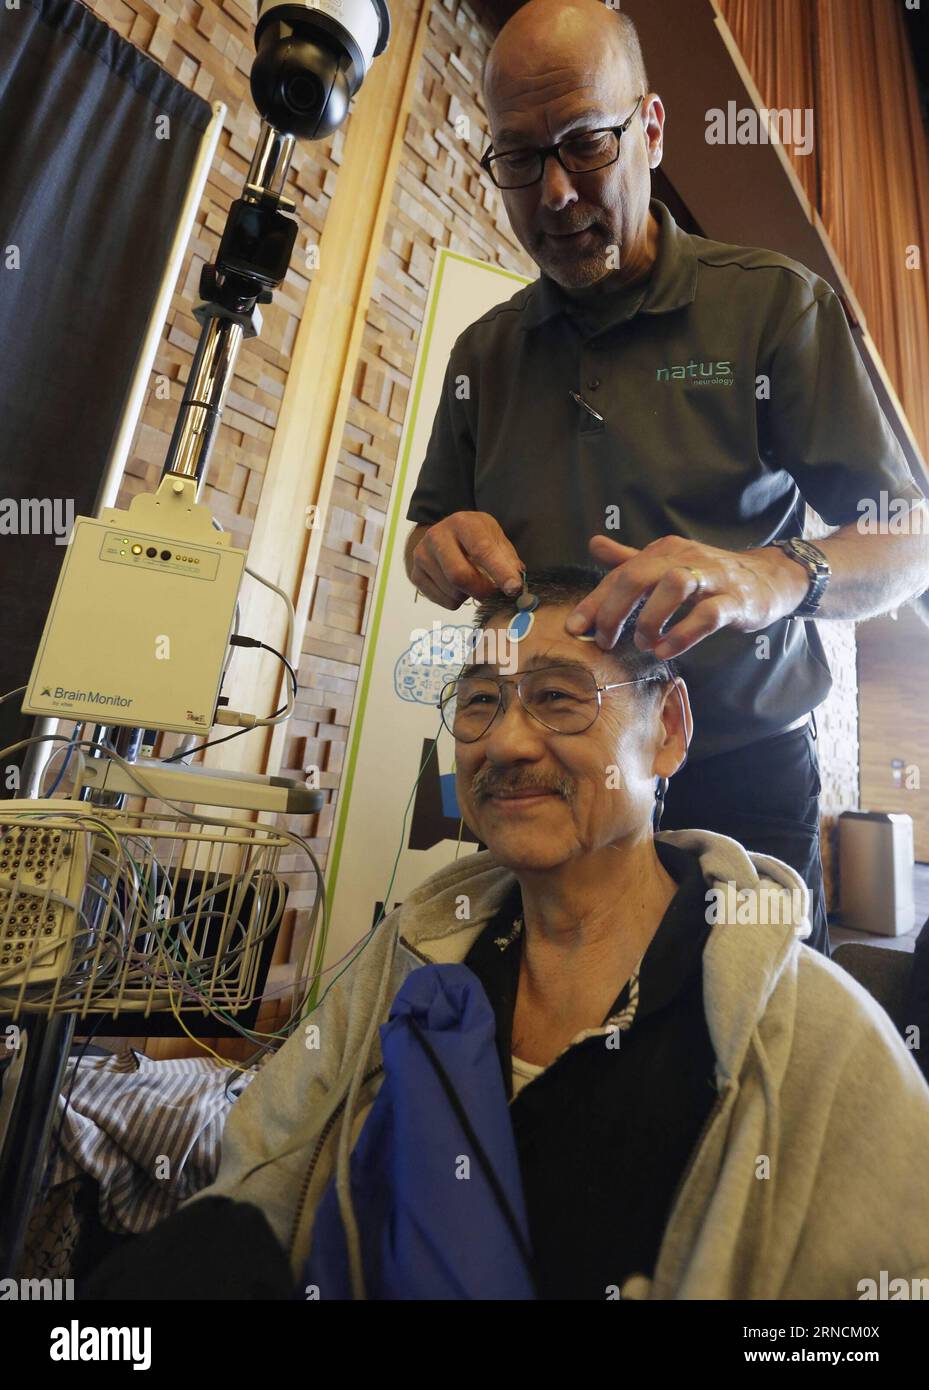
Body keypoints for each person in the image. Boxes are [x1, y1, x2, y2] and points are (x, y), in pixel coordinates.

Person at [87, 569, 929, 1301]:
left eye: (558, 698)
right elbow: (271, 1165)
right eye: (479, 702)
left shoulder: (809, 1037)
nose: (504, 741)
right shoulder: (413, 959)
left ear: (666, 730)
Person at [403, 0, 929, 956]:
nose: (555, 194)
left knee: (748, 1071)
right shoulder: (486, 352)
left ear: (649, 129)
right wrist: (433, 553)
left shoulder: (771, 306)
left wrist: (769, 576)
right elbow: (425, 537)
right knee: (556, 1067)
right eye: (519, 160)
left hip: (742, 781)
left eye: (584, 146)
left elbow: (908, 536)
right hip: (552, 780)